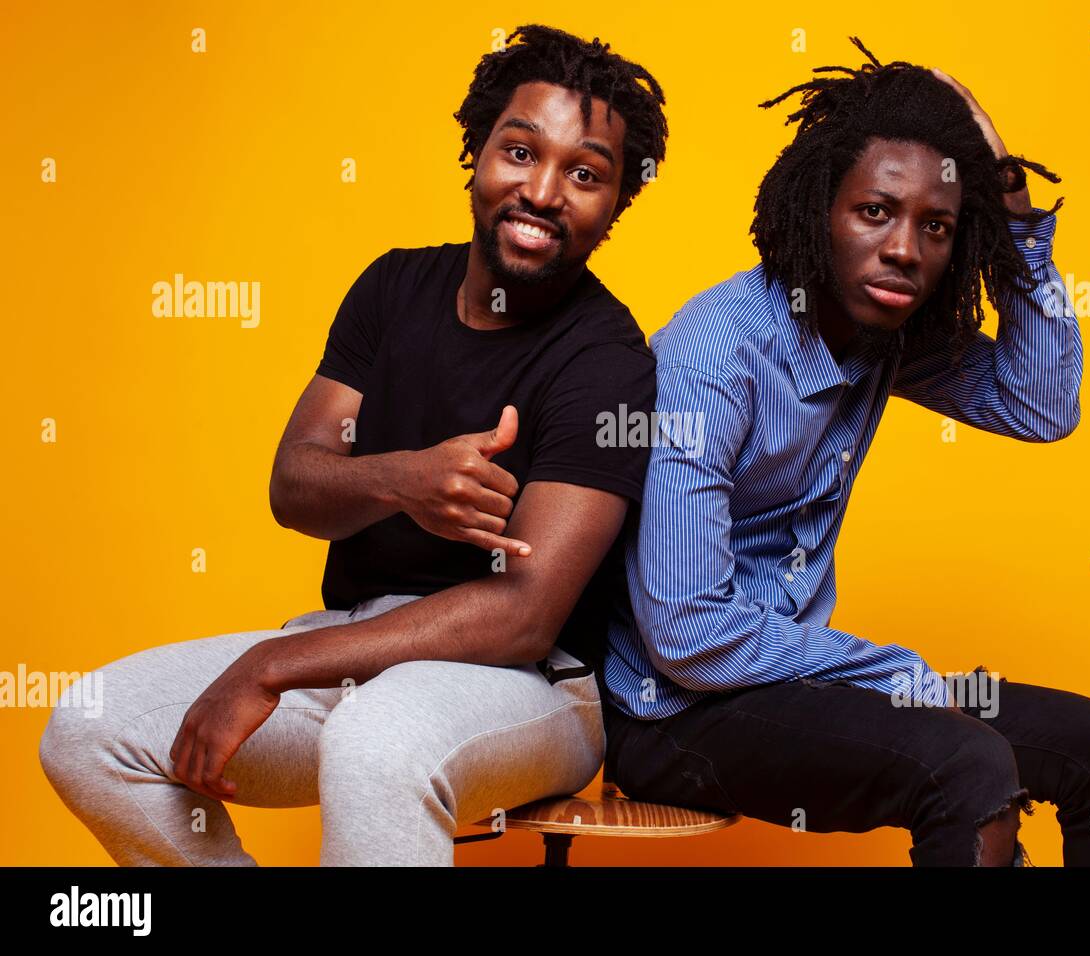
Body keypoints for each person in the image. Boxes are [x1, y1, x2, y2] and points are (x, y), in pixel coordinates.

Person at [38, 23, 666, 866]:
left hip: (528, 687)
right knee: (89, 728)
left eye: (585, 174)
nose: (544, 191)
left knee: (378, 742)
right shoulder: (393, 287)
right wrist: (404, 480)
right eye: (520, 152)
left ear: (616, 205)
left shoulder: (606, 360)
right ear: (477, 152)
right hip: (348, 645)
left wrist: (271, 664)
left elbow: (523, 615)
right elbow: (295, 487)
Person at [599, 39, 1090, 866]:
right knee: (971, 769)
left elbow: (1042, 405)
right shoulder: (716, 356)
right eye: (875, 212)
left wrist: (1013, 222)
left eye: (935, 226)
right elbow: (685, 631)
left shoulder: (884, 336)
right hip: (675, 713)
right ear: (819, 208)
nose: (905, 248)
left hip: (804, 682)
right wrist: (898, 670)